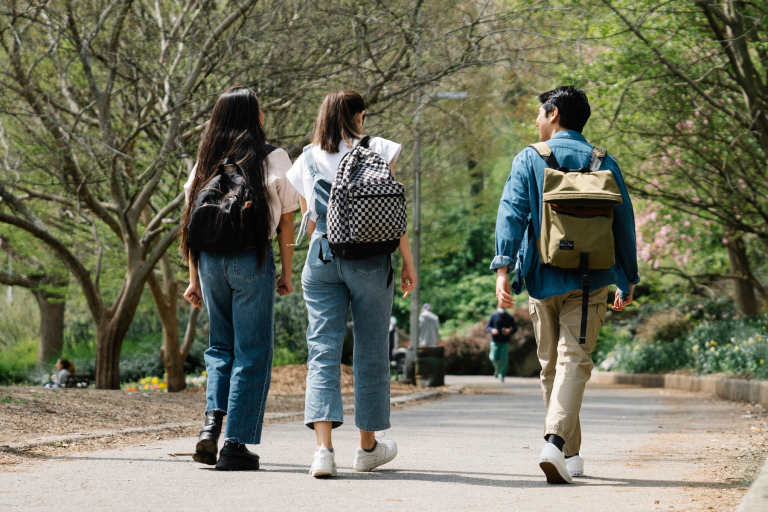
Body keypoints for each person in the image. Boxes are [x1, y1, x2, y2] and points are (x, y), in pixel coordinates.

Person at [491, 86, 638, 484]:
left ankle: (553, 442)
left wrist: (503, 267)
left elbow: (512, 214)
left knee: (552, 369)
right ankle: (568, 454)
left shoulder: (529, 158)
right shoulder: (605, 162)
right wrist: (627, 278)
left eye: (540, 113)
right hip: (592, 280)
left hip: (542, 278)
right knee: (570, 362)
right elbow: (624, 224)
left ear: (553, 114)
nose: (536, 120)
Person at [286, 89, 417, 478]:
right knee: (372, 351)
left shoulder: (306, 158)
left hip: (322, 255)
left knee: (322, 350)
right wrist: (408, 263)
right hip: (371, 261)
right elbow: (393, 213)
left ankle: (323, 452)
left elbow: (307, 210)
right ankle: (367, 447)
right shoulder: (380, 149)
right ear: (360, 116)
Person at [181, 86, 298, 471]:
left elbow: (190, 223)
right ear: (253, 116)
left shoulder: (205, 159)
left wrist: (194, 278)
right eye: (260, 110)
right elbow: (285, 219)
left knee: (220, 348)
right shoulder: (272, 156)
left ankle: (210, 428)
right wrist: (286, 271)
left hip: (210, 262)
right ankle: (235, 444)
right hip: (252, 258)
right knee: (252, 351)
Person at [486, 303, 517, 382]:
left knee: (503, 359)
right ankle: (497, 369)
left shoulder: (509, 317)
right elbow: (488, 327)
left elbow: (514, 328)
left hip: (505, 342)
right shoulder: (493, 316)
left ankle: (501, 375)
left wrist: (509, 331)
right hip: (495, 341)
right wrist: (492, 330)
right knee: (493, 357)